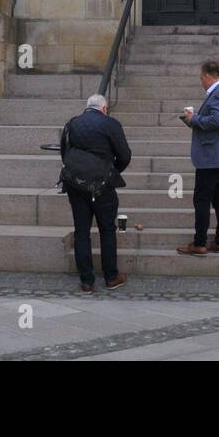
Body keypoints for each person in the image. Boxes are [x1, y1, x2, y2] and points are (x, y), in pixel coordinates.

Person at [61, 93, 132, 293]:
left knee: (81, 231)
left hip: (76, 184)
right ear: (104, 108)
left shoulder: (72, 123)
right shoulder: (111, 124)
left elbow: (65, 153)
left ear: (87, 107)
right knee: (107, 229)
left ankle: (87, 281)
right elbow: (125, 155)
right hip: (103, 186)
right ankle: (111, 277)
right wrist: (111, 171)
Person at [176, 60, 219, 256]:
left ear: (207, 76)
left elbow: (218, 120)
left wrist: (193, 119)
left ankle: (200, 243)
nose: (201, 83)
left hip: (212, 156)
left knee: (202, 198)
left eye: (201, 79)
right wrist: (194, 120)